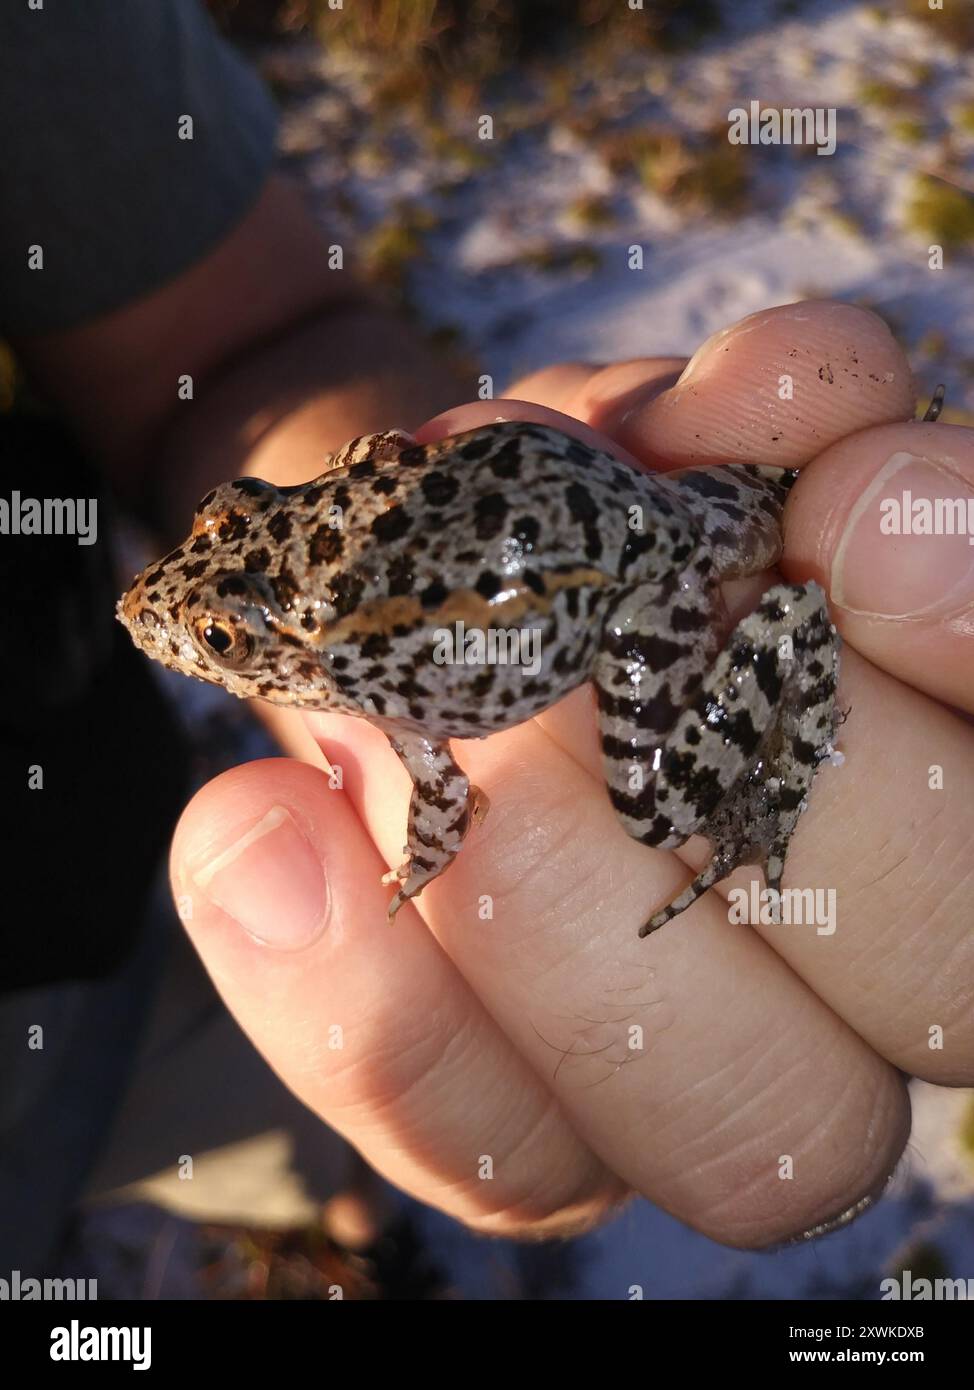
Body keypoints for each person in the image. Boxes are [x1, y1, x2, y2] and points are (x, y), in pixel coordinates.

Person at [2, 2, 972, 1279]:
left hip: (633, 569)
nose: (187, 630)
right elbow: (434, 769)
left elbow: (444, 804)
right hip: (637, 520)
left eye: (228, 634)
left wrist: (416, 870)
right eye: (226, 641)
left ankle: (345, 1189)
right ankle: (351, 1191)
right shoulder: (356, 630)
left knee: (652, 803)